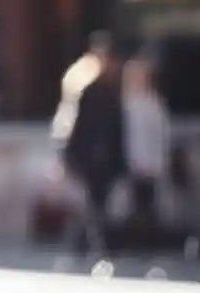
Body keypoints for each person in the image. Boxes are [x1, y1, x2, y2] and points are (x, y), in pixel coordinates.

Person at [53, 32, 127, 256]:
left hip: (105, 158)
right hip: (88, 157)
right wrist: (70, 156)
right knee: (92, 202)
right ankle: (93, 244)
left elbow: (117, 129)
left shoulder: (113, 90)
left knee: (96, 202)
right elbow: (77, 126)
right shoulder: (87, 90)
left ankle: (84, 242)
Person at [120, 53, 171, 244]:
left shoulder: (152, 105)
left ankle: (147, 240)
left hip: (147, 166)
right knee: (133, 206)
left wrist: (156, 164)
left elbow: (159, 138)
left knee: (145, 206)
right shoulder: (127, 103)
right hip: (130, 164)